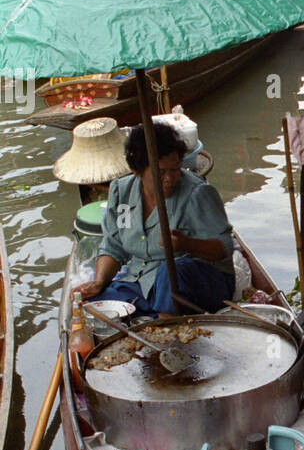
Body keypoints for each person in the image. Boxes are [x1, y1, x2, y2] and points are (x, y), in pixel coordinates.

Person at [74, 123, 236, 316]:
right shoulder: (122, 192)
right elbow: (114, 247)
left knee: (170, 272)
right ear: (137, 170)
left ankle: (165, 331)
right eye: (160, 172)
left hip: (200, 283)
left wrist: (187, 244)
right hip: (142, 282)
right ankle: (153, 313)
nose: (169, 178)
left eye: (175, 169)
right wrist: (99, 282)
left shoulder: (197, 193)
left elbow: (226, 247)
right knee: (91, 307)